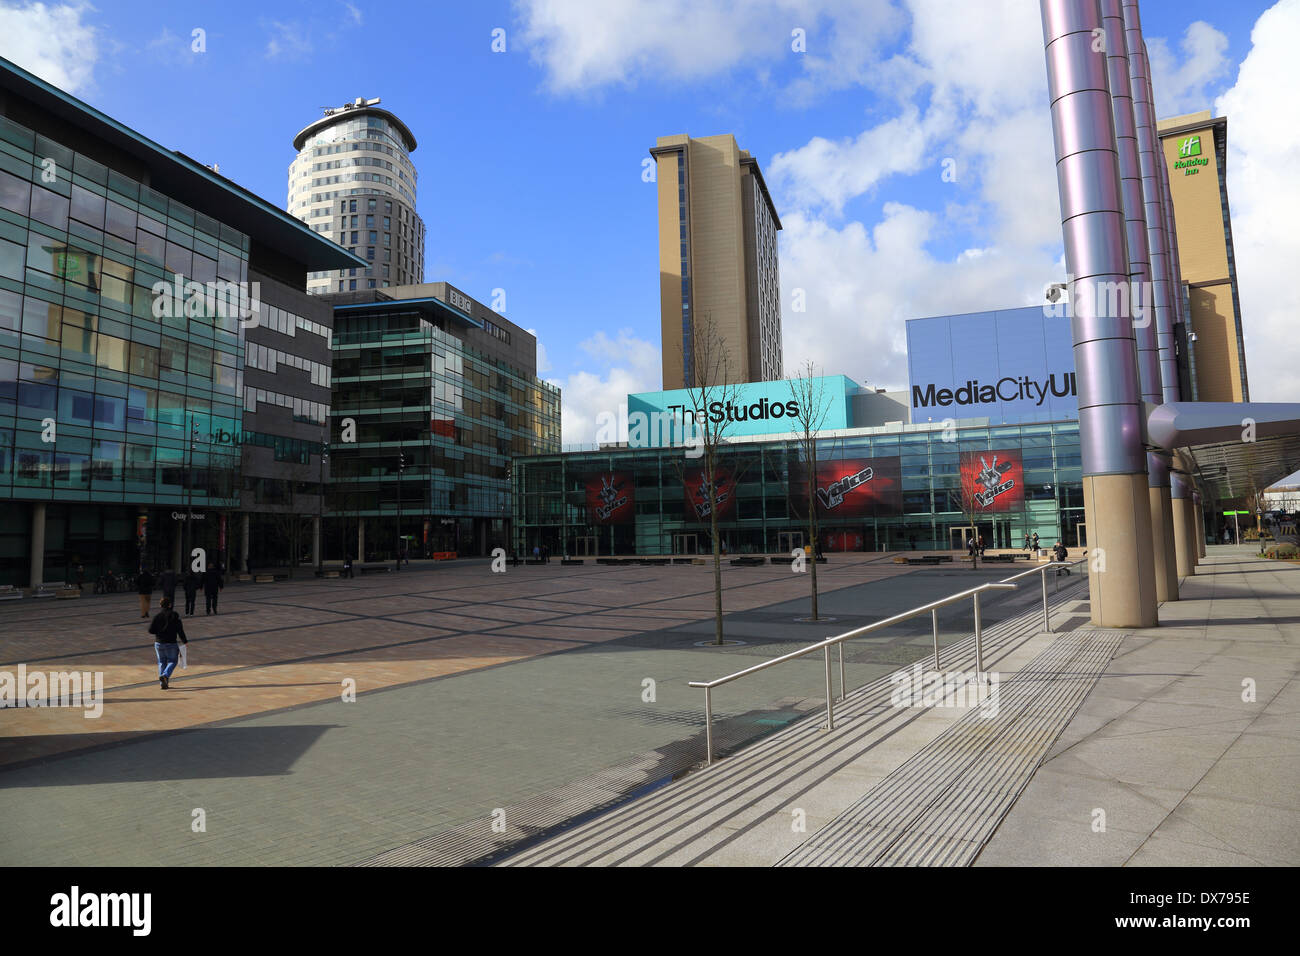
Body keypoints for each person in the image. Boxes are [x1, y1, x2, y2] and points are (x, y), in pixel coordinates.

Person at [148, 597, 188, 690]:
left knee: (161, 662)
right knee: (173, 661)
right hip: (171, 643)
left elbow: (150, 630)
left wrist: (159, 631)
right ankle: (165, 676)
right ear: (170, 605)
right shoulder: (175, 615)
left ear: (160, 605)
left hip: (159, 643)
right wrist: (184, 641)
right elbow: (180, 629)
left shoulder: (157, 616)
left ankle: (163, 683)